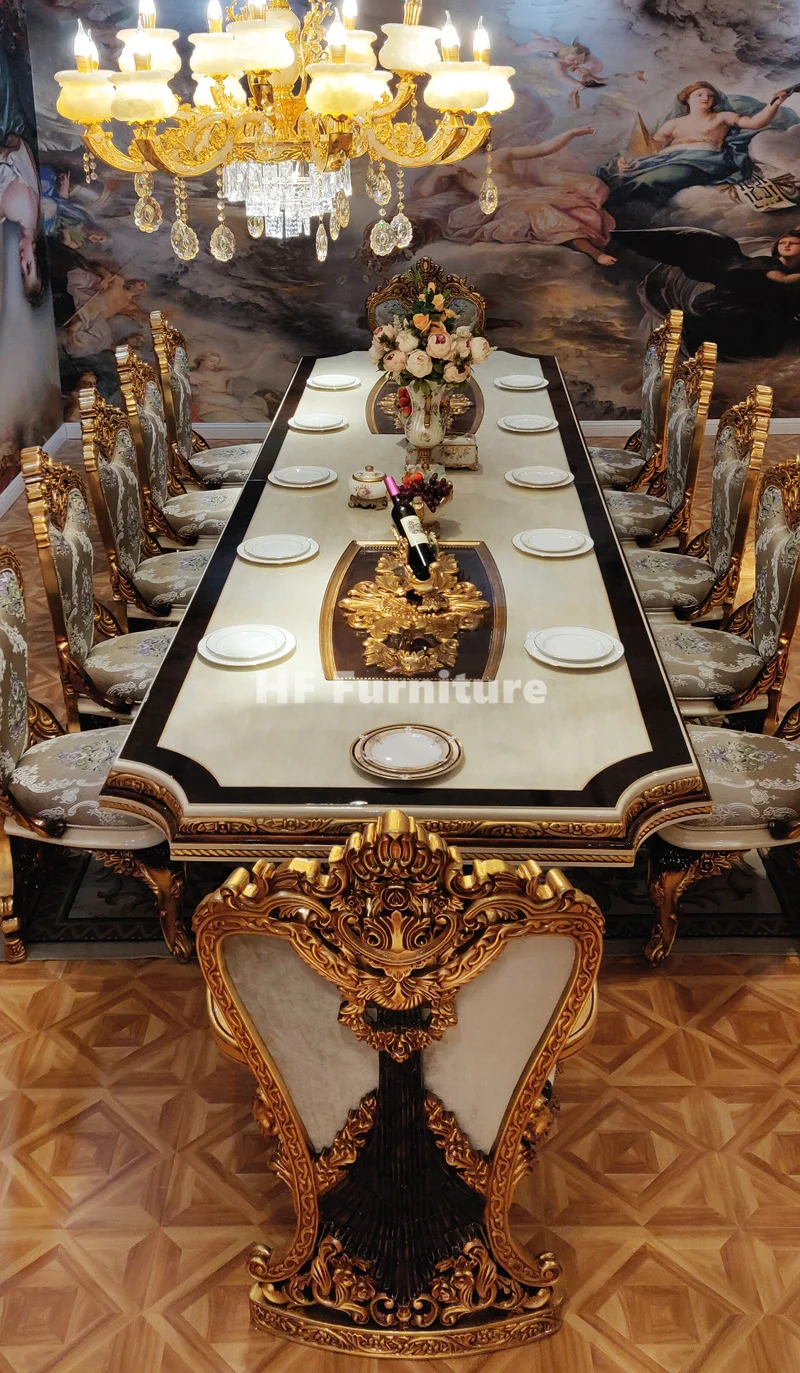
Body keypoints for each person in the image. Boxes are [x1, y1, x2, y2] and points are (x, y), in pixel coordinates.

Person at [411, 129, 617, 266]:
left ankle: (593, 249)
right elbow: (426, 193)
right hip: (501, 204)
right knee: (543, 212)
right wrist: (439, 174)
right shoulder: (454, 166)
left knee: (574, 207)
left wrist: (572, 133)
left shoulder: (501, 154)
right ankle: (595, 254)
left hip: (531, 194)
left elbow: (543, 149)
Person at [600, 81, 796, 217]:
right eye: (700, 94)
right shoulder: (674, 123)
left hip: (703, 161)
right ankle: (617, 213)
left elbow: (755, 123)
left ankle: (641, 214)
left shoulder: (722, 117)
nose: (706, 98)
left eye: (710, 95)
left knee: (656, 179)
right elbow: (654, 146)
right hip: (668, 158)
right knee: (625, 180)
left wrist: (775, 104)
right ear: (687, 99)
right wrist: (629, 158)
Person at [613, 224, 800, 358]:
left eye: (793, 243)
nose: (787, 245)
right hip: (725, 305)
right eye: (784, 242)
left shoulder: (789, 272)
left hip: (751, 308)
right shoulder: (767, 263)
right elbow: (782, 280)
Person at [0, 132, 46, 306]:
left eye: (21, 272)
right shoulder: (24, 215)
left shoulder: (26, 222)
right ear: (35, 251)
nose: (21, 262)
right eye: (28, 266)